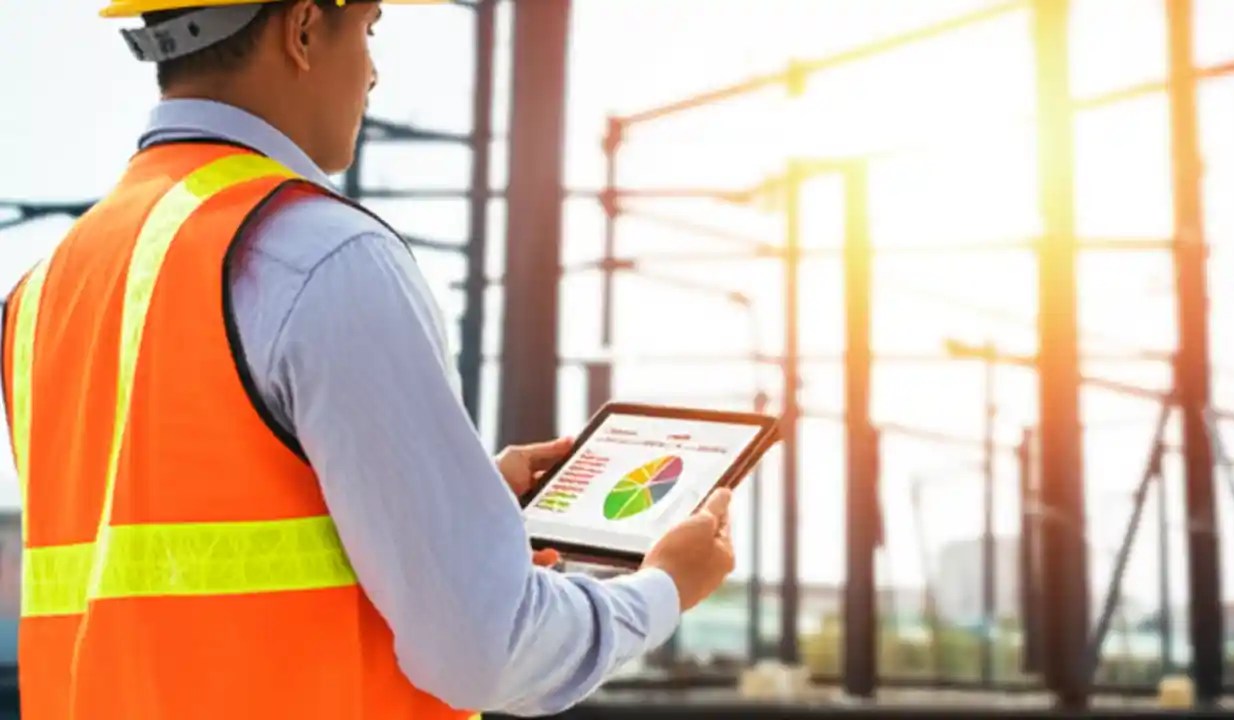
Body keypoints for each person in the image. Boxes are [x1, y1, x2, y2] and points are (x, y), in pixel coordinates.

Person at [1, 1, 736, 718]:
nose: (374, 74)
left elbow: (180, 551)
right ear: (303, 28)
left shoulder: (49, 285)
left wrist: (458, 509)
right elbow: (490, 648)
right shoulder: (322, 255)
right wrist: (667, 587)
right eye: (371, 28)